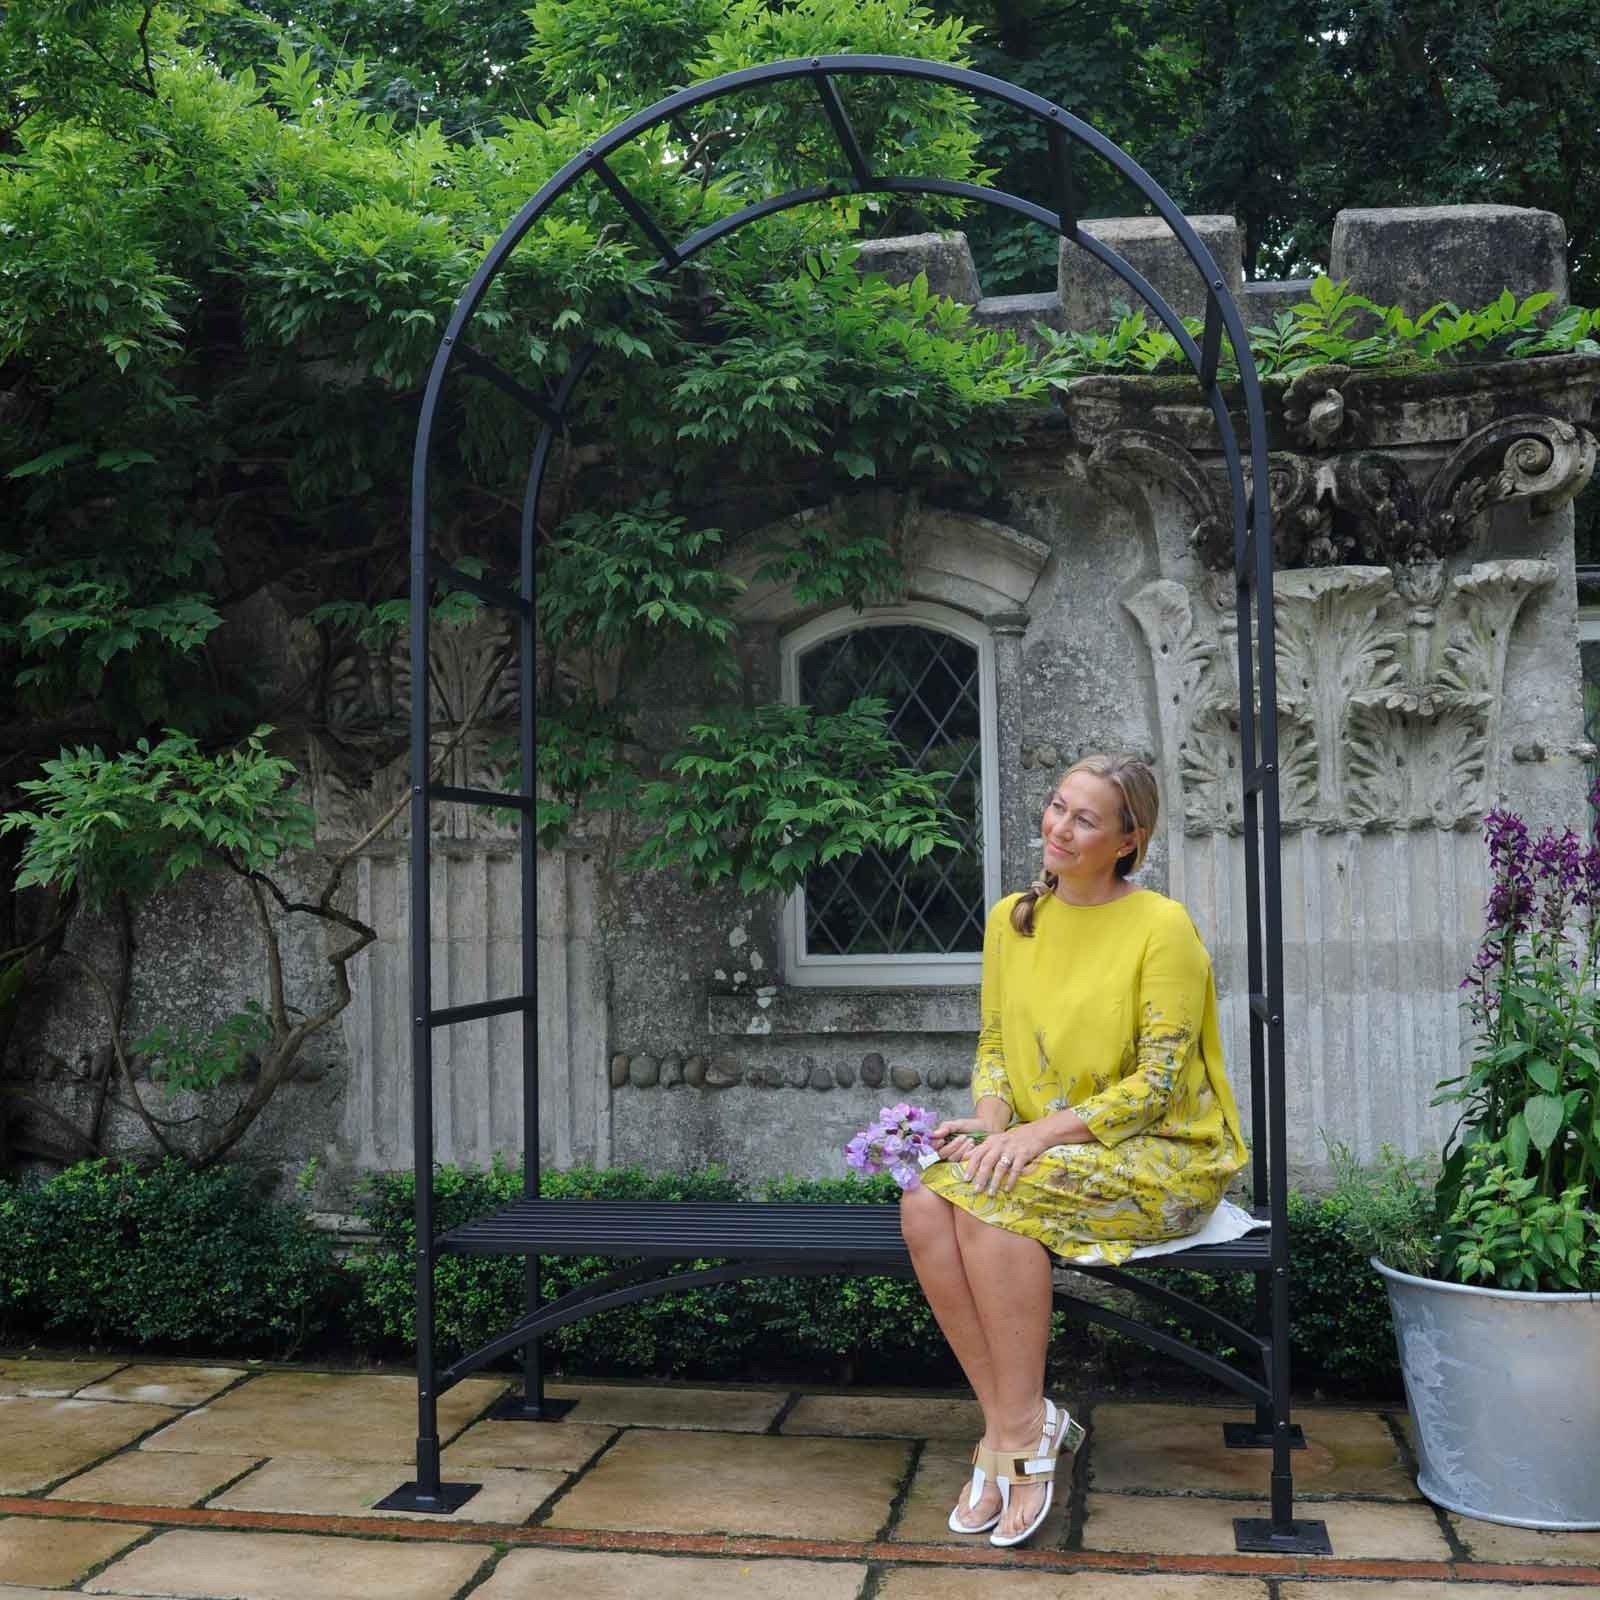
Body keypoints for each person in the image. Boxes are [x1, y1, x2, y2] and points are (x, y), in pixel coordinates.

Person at [899, 751, 1247, 1547]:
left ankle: (1013, 1438)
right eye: (1058, 806)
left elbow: (1158, 1086)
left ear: (1130, 839)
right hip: (1048, 1151)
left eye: (1085, 818)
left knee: (987, 1195)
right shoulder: (1011, 919)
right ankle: (1018, 1427)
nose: (1059, 827)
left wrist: (1027, 1137)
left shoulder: (1163, 927)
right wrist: (992, 1123)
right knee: (924, 1200)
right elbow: (994, 1043)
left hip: (1164, 1156)